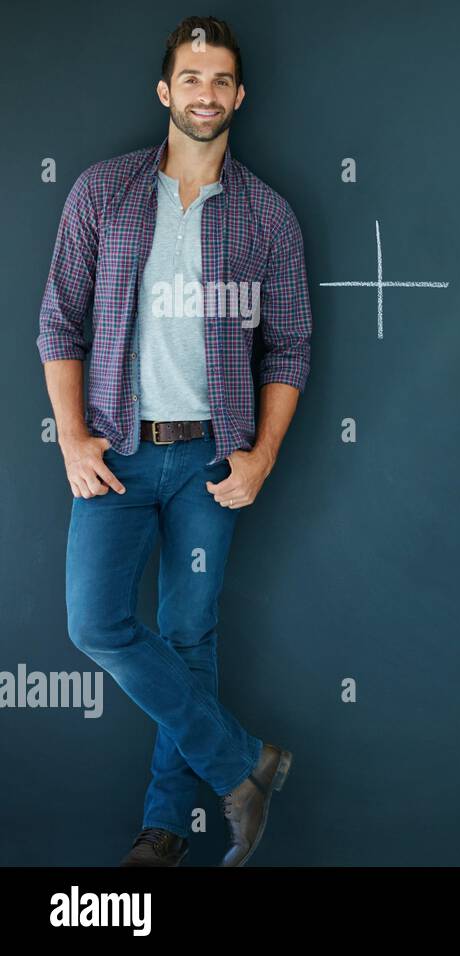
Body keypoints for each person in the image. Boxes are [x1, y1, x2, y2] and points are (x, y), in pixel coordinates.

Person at [35, 15, 310, 866]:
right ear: (166, 90)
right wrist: (73, 437)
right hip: (115, 451)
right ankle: (243, 765)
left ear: (238, 97)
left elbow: (291, 343)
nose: (206, 93)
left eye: (221, 80)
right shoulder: (101, 193)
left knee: (190, 634)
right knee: (97, 623)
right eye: (191, 77)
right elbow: (58, 320)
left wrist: (261, 454)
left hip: (209, 457)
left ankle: (161, 833)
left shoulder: (267, 215)